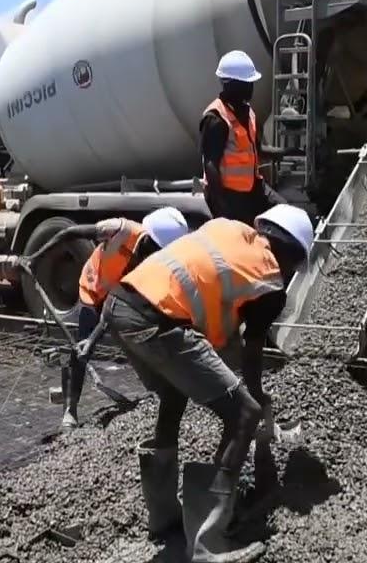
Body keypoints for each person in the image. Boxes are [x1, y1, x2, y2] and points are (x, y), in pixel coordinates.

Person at [104, 204, 312, 561]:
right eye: (294, 264)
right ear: (291, 254)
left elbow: (211, 306)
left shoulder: (228, 228)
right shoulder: (271, 279)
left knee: (174, 396)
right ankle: (209, 543)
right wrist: (257, 400)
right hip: (158, 320)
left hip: (119, 306)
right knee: (243, 415)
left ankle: (163, 516)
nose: (291, 272)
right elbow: (251, 352)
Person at [0, 207, 191, 430]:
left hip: (116, 301)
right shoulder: (120, 230)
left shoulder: (154, 264)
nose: (158, 257)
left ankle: (159, 393)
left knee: (138, 342)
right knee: (79, 351)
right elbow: (68, 234)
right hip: (92, 290)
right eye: (157, 250)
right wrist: (36, 257)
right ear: (150, 239)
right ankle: (70, 409)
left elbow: (113, 307)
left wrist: (95, 340)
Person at [200, 50, 288, 223]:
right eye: (247, 83)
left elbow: (256, 149)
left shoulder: (248, 113)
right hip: (230, 197)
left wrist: (286, 152)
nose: (251, 88)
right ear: (231, 84)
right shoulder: (216, 118)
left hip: (254, 189)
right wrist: (222, 209)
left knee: (284, 216)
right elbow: (210, 165)